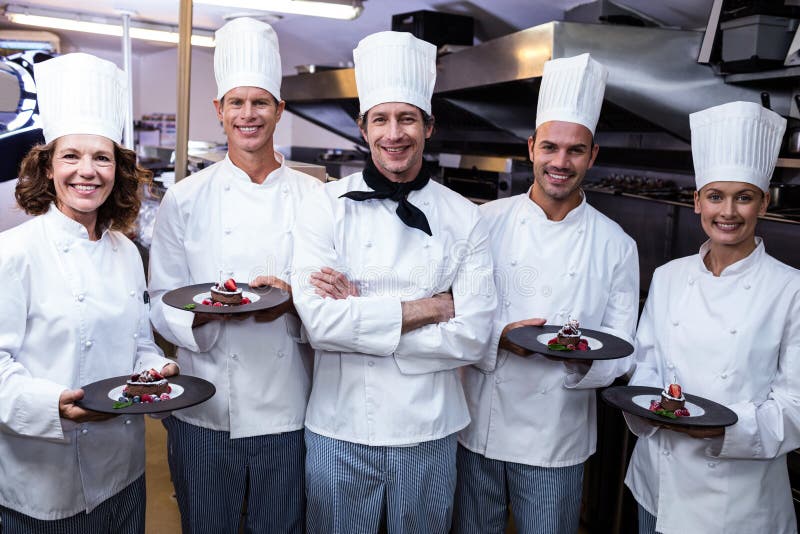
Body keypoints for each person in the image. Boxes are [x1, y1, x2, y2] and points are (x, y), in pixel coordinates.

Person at [290, 31, 498, 534]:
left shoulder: (465, 217)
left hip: (429, 430)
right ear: (363, 128)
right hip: (339, 427)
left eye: (407, 118)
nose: (394, 133)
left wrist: (362, 316)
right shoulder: (323, 205)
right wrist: (428, 308)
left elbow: (473, 335)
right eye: (380, 119)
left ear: (428, 126)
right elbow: (319, 324)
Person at [453, 53, 640, 534]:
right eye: (551, 147)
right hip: (479, 424)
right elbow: (456, 312)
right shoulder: (484, 221)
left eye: (576, 151)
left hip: (558, 433)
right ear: (532, 147)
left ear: (593, 156)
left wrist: (580, 361)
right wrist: (501, 338)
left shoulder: (617, 244)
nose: (561, 162)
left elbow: (623, 349)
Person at [147, 17, 319, 533]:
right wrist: (201, 314)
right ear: (219, 111)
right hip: (203, 405)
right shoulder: (185, 198)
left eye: (261, 102)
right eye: (237, 103)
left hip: (288, 406)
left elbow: (333, 293)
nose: (249, 115)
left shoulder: (317, 198)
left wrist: (296, 297)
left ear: (279, 110)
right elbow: (160, 299)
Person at [0, 52, 177, 532]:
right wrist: (51, 403)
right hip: (41, 480)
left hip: (123, 471)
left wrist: (154, 371)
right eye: (71, 156)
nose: (87, 171)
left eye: (102, 157)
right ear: (48, 166)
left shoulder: (125, 252)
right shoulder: (14, 252)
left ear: (117, 169)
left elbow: (139, 343)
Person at [624, 101, 799, 534]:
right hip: (657, 486)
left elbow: (795, 407)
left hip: (736, 504)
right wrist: (645, 408)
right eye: (716, 196)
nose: (728, 212)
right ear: (697, 200)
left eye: (744, 198)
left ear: (762, 202)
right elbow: (645, 367)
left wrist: (721, 430)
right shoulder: (667, 278)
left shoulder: (791, 289)